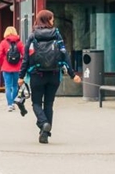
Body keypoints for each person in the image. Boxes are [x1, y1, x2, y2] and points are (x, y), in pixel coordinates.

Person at [18, 9, 81, 144]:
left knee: (36, 102)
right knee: (49, 103)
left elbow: (26, 58)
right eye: (52, 19)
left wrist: (21, 76)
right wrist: (72, 74)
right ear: (47, 20)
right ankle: (45, 132)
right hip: (53, 74)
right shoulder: (56, 34)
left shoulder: (33, 36)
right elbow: (64, 55)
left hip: (37, 74)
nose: (53, 21)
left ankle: (43, 123)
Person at [0, 26, 25, 112]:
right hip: (17, 67)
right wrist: (21, 61)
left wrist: (2, 63)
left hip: (6, 67)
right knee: (15, 86)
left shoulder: (3, 43)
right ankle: (13, 103)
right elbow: (24, 54)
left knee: (8, 86)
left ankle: (9, 105)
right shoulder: (19, 43)